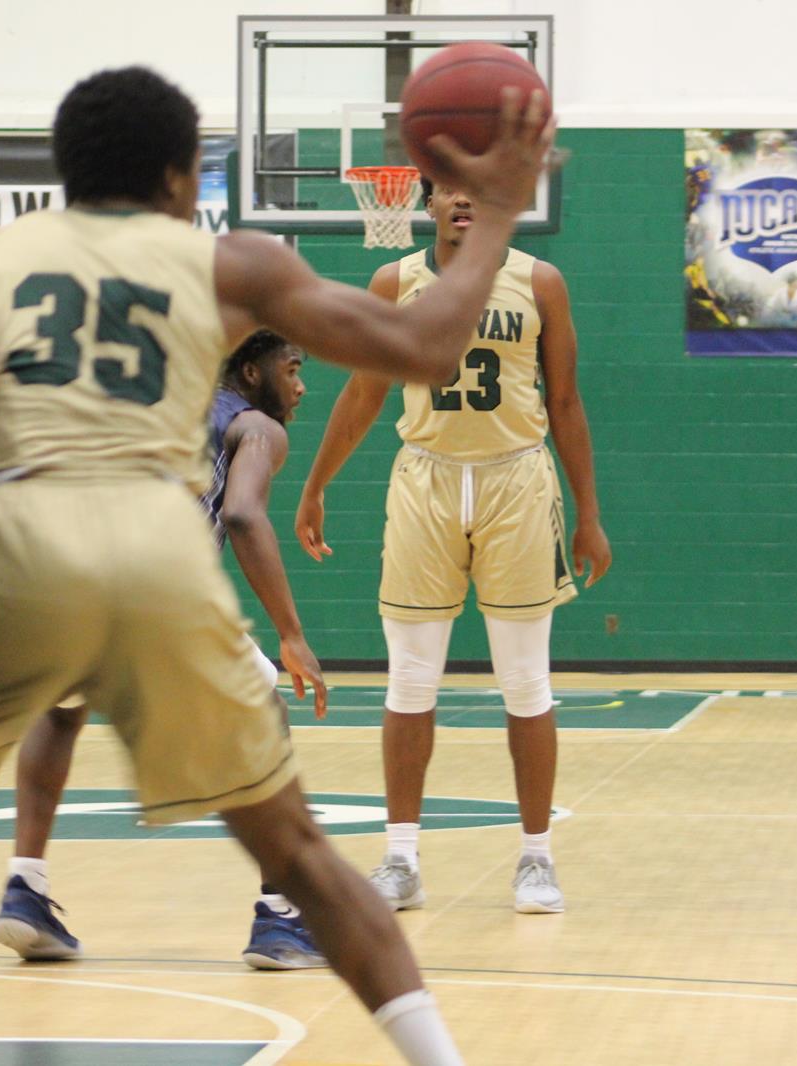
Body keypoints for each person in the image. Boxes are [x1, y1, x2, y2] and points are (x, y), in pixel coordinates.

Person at [0, 65, 553, 1066]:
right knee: (290, 840)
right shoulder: (222, 270)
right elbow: (419, 345)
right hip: (154, 551)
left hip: (10, 536)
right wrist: (500, 215)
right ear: (181, 180)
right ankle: (391, 1012)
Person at [294, 175, 611, 916]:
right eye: (451, 192)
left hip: (518, 482)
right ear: (428, 204)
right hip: (425, 481)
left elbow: (565, 401)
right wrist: (315, 485)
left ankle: (537, 858)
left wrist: (589, 511)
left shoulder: (541, 282)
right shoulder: (393, 280)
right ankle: (400, 858)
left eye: (481, 190)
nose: (466, 201)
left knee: (526, 681)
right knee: (410, 679)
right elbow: (363, 392)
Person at [0, 330, 331, 971]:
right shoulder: (256, 427)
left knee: (61, 705)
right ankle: (281, 919)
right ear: (252, 374)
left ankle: (24, 889)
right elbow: (244, 516)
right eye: (293, 368)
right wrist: (290, 633)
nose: (302, 385)